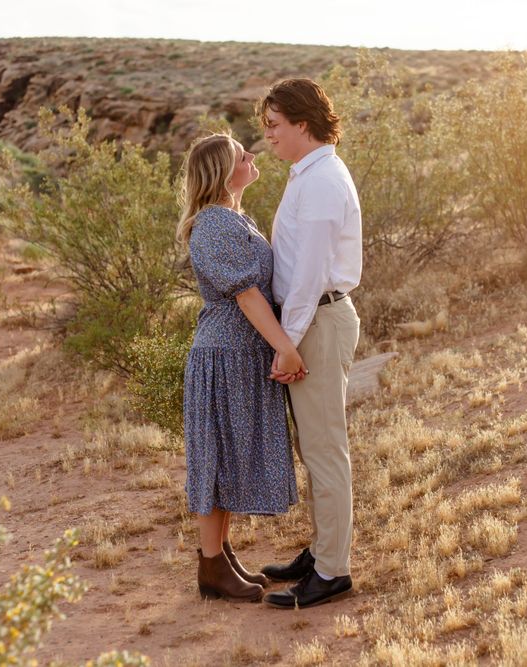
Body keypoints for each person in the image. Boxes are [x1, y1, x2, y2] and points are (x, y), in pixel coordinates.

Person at [177, 132, 306, 602]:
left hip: (240, 355)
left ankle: (221, 556)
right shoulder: (212, 224)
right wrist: (285, 347)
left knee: (228, 454)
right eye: (239, 155)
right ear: (220, 173)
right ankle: (211, 565)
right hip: (224, 356)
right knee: (215, 456)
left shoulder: (233, 219)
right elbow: (247, 295)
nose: (252, 156)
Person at [257, 79, 363, 609]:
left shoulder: (321, 182)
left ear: (303, 123)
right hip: (312, 322)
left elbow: (308, 274)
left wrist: (288, 343)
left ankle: (332, 571)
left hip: (316, 323)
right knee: (316, 447)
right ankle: (322, 550)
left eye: (274, 125)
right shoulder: (310, 174)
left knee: (325, 450)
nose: (269, 136)